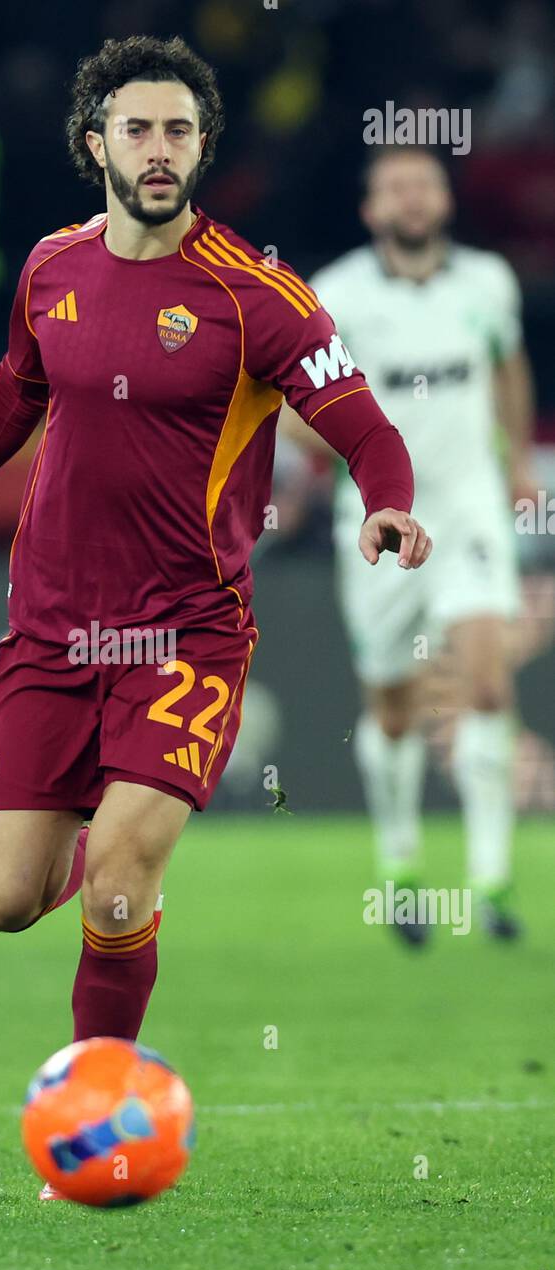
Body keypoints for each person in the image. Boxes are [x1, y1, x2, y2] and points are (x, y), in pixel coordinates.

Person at [0, 36, 431, 1194]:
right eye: (137, 129)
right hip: (49, 633)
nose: (159, 150)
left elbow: (361, 420)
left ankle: (101, 1101)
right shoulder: (49, 269)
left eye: (178, 131)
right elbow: (14, 391)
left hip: (186, 635)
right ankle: (83, 838)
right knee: (4, 900)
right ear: (95, 144)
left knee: (121, 883)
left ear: (201, 146)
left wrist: (389, 506)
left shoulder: (255, 296)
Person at [281, 146, 534, 944]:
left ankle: (491, 881)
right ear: (371, 211)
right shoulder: (339, 296)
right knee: (391, 708)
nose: (412, 199)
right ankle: (400, 864)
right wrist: (321, 457)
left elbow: (507, 369)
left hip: (470, 513)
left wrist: (518, 463)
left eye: (424, 184)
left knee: (486, 681)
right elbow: (296, 404)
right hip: (381, 521)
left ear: (445, 202)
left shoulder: (488, 282)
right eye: (395, 188)